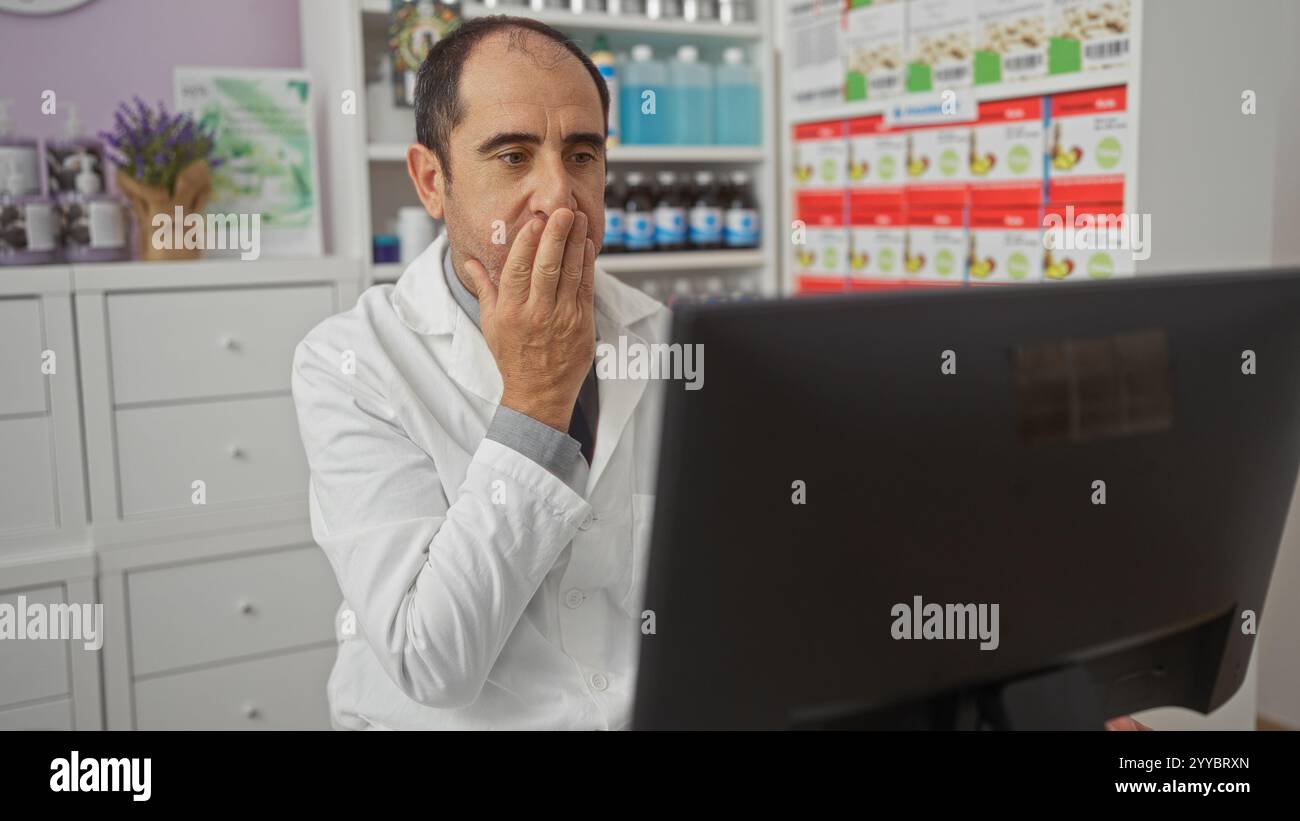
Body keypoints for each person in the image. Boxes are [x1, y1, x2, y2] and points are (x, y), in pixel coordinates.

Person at [292, 16, 667, 730]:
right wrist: (536, 401)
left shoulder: (662, 338)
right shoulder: (349, 364)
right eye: (514, 156)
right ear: (433, 181)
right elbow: (432, 660)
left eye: (583, 155)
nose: (560, 196)